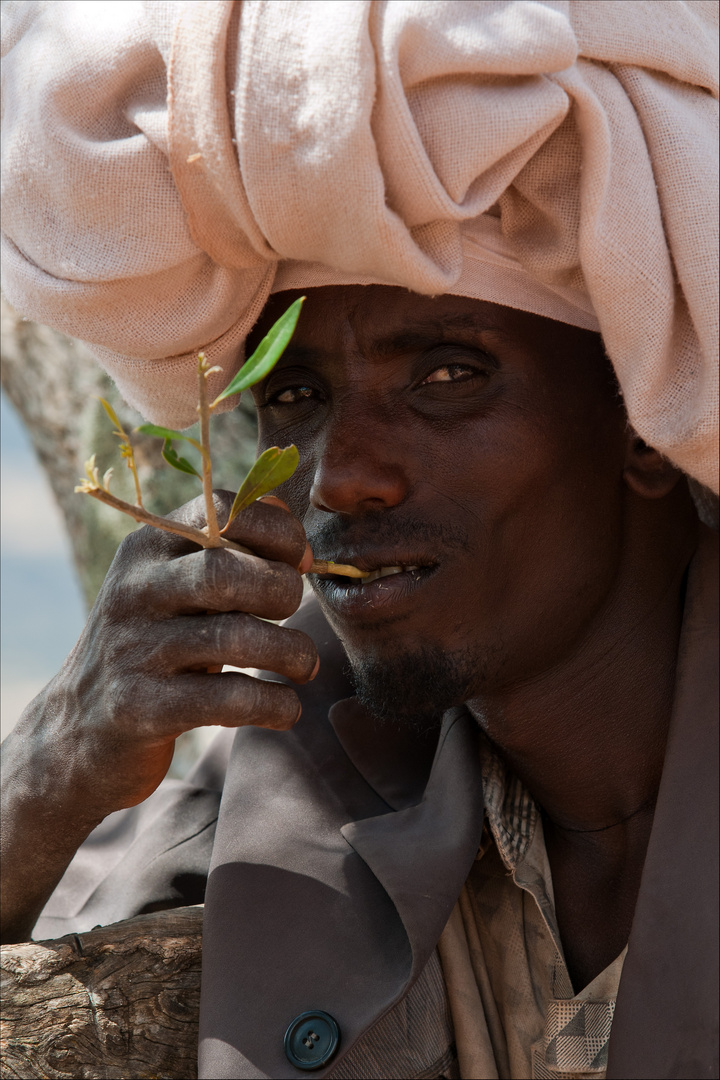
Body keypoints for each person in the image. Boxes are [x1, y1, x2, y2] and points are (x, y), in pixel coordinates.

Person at [1, 3, 717, 1078]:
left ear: (644, 418)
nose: (341, 474)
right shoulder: (303, 769)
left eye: (444, 377)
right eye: (296, 396)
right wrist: (52, 769)